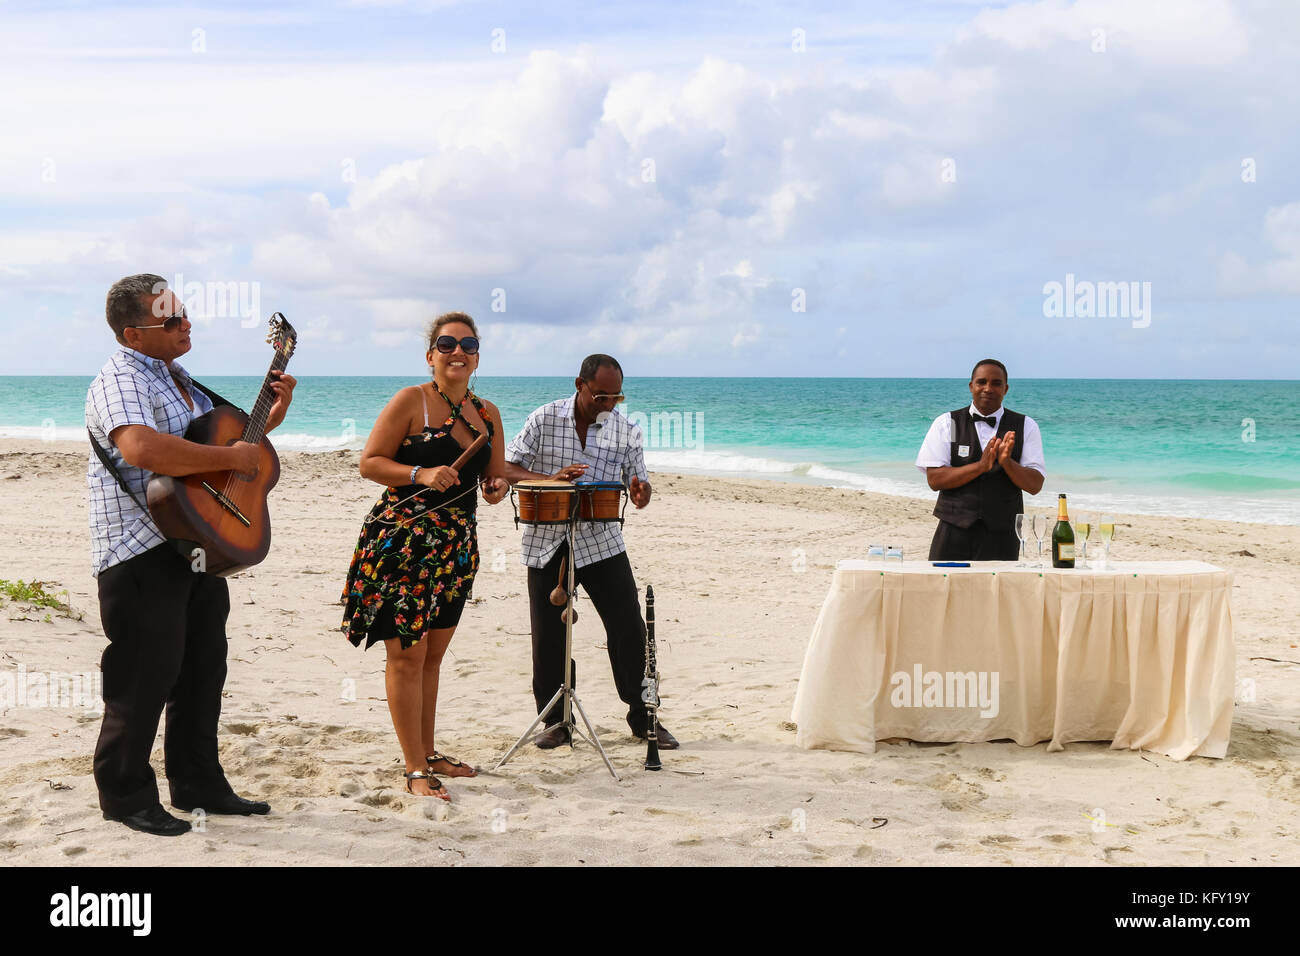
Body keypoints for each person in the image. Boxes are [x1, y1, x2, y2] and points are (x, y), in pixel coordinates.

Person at [86, 274, 296, 836]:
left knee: (203, 670)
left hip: (195, 543)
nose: (187, 325)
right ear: (133, 333)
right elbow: (140, 446)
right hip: (141, 549)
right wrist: (222, 455)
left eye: (184, 314)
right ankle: (126, 795)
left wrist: (269, 420)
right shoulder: (122, 377)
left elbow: (228, 450)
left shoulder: (181, 380)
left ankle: (198, 782)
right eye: (171, 320)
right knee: (143, 676)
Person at [341, 313, 509, 799]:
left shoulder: (488, 413)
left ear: (478, 356)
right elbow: (370, 463)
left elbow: (493, 477)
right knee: (406, 657)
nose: (459, 351)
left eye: (469, 344)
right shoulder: (410, 401)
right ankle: (415, 769)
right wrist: (420, 474)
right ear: (430, 354)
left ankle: (429, 751)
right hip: (402, 543)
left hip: (457, 548)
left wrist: (496, 487)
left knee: (432, 659)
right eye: (447, 343)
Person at [504, 354, 679, 750]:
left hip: (602, 541)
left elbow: (641, 487)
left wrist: (641, 493)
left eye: (616, 397)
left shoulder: (627, 429)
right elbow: (506, 467)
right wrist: (548, 480)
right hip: (546, 539)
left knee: (628, 629)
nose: (609, 405)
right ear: (579, 384)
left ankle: (643, 717)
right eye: (601, 396)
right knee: (549, 636)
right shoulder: (544, 418)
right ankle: (556, 722)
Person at [915, 359, 1046, 561]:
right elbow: (935, 480)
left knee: (998, 592)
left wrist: (1007, 463)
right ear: (971, 386)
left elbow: (1035, 485)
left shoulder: (1026, 426)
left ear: (1006, 389)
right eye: (981, 382)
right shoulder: (948, 424)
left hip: (1003, 533)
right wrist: (980, 466)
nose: (988, 388)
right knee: (945, 590)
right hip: (953, 530)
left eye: (996, 383)